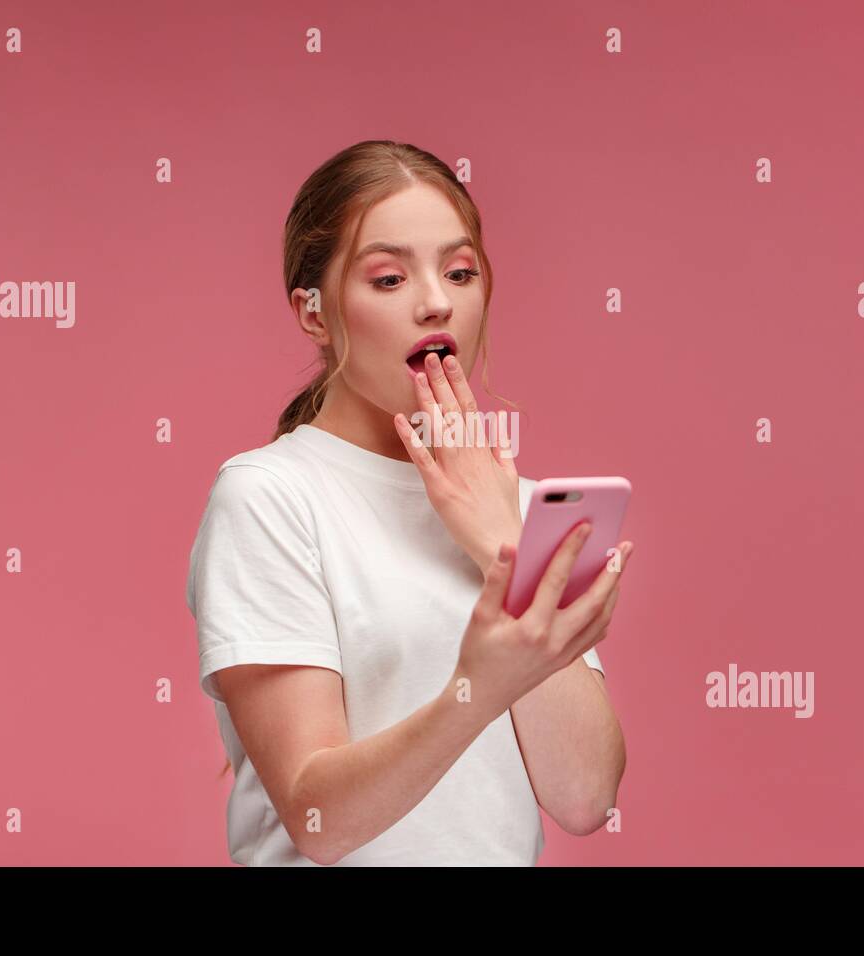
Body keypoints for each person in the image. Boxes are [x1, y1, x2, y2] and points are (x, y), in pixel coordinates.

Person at [185, 140, 632, 866]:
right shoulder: (269, 498)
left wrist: (504, 550)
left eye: (460, 272)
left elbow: (585, 797)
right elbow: (319, 819)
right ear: (314, 311)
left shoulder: (509, 504)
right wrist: (476, 692)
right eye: (389, 278)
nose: (436, 302)